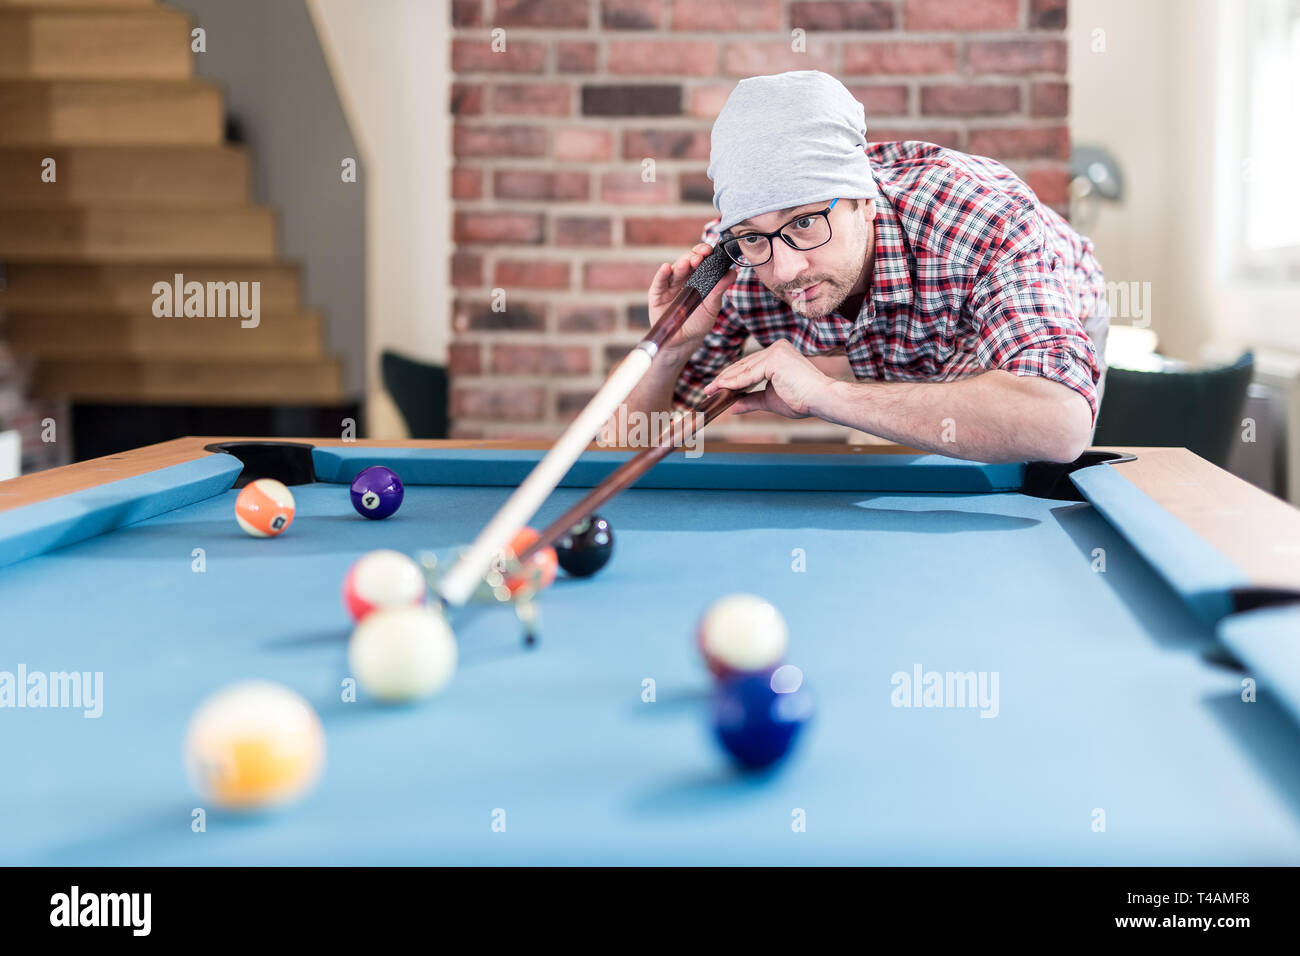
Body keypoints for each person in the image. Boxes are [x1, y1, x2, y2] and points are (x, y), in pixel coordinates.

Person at [616, 70, 1108, 464]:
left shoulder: (975, 216)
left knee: (1015, 463)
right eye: (751, 235)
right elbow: (627, 446)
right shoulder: (731, 266)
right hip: (887, 357)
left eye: (805, 221)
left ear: (864, 200)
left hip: (1027, 335)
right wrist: (668, 350)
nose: (784, 270)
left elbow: (1058, 421)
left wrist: (825, 393)